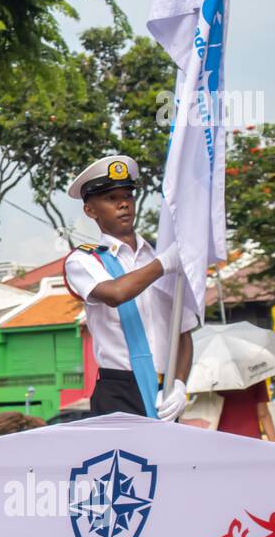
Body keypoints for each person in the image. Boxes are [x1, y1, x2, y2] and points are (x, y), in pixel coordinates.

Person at [61, 155, 195, 420]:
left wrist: (180, 384)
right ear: (90, 210)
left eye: (128, 196)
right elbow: (115, 293)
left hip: (165, 388)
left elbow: (183, 332)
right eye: (111, 198)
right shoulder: (85, 260)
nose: (123, 204)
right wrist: (165, 264)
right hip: (119, 390)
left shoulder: (159, 255)